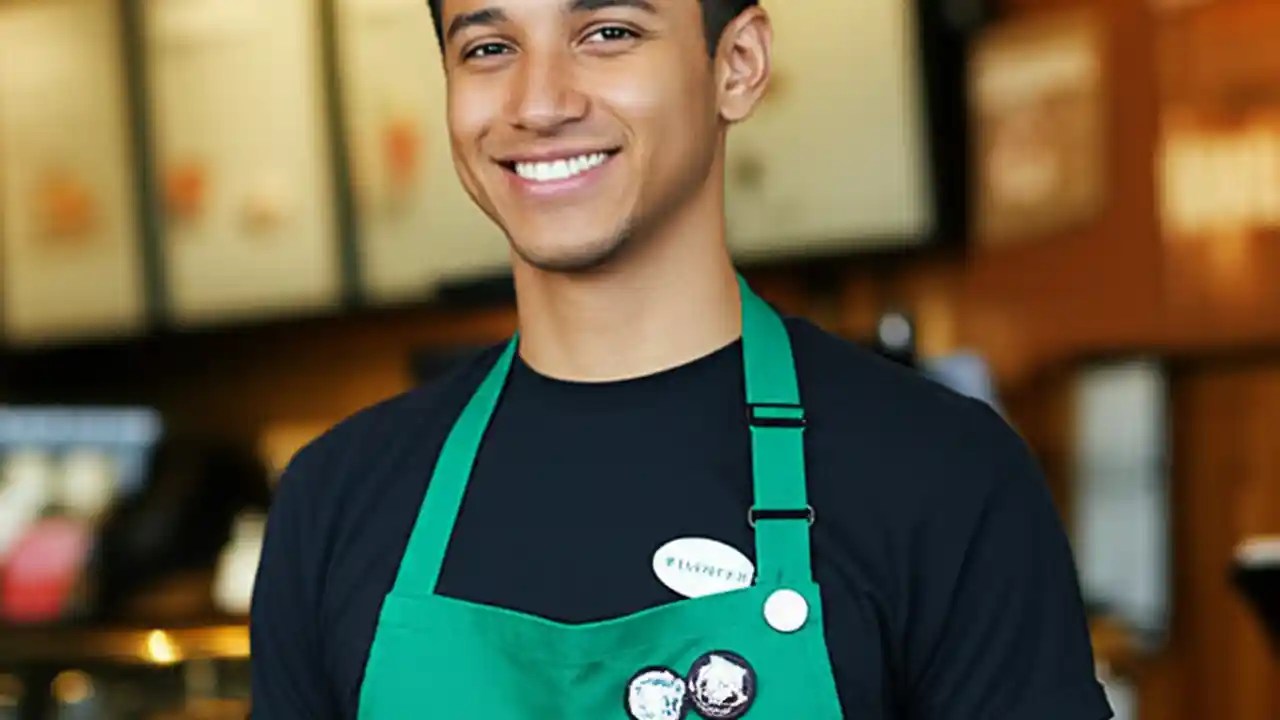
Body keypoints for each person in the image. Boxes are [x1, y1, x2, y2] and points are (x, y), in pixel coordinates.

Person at [250, 0, 1114, 717]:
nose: (538, 101)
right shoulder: (336, 501)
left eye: (608, 33)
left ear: (736, 64)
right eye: (488, 47)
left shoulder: (944, 475)